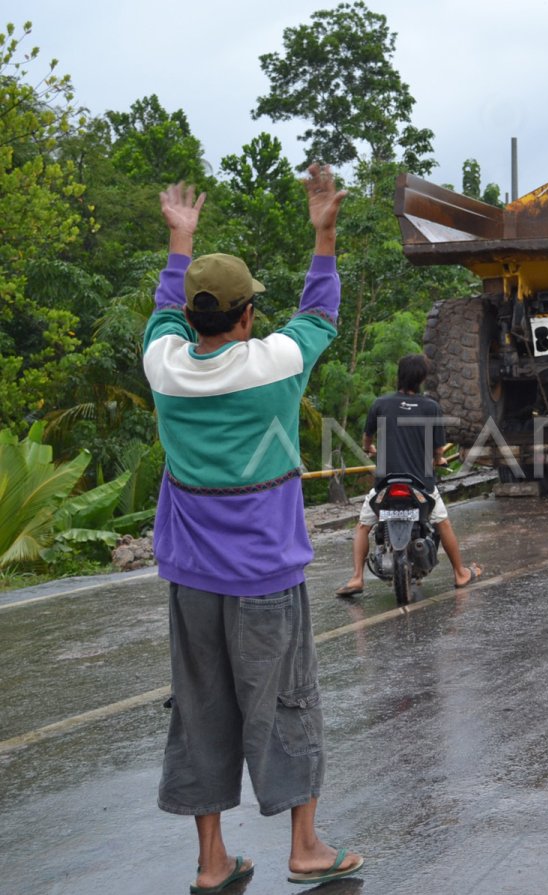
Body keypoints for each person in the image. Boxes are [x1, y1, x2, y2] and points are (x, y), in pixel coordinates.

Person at [145, 167, 364, 891]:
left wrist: (181, 241)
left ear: (193, 318)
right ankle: (304, 847)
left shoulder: (163, 367)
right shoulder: (273, 366)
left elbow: (162, 311)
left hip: (190, 580)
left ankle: (213, 861)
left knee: (199, 708)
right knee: (288, 700)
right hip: (266, 577)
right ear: (245, 317)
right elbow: (320, 313)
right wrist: (323, 234)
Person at [335, 355, 483, 597]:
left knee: (363, 526)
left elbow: (367, 439)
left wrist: (369, 448)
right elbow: (438, 450)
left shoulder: (380, 404)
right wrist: (438, 459)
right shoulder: (431, 407)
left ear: (399, 376)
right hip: (421, 484)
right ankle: (460, 573)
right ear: (422, 379)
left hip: (385, 483)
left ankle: (357, 577)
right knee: (443, 523)